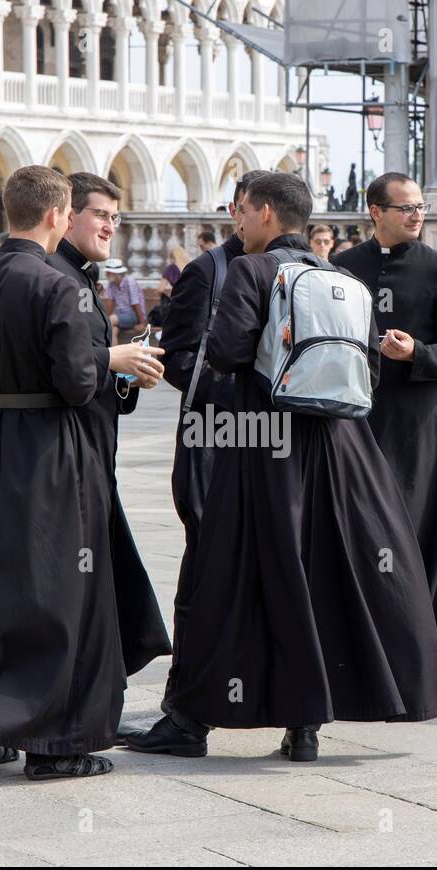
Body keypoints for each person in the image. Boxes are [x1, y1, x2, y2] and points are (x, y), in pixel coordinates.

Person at [126, 172, 437, 763]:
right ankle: (304, 727)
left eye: (243, 211)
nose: (237, 222)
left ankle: (190, 721)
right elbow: (369, 372)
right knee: (324, 578)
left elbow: (223, 352)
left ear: (267, 214)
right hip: (344, 452)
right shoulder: (343, 278)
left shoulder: (251, 271)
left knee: (225, 577)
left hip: (265, 449)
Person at [0, 165, 129, 781]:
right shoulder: (57, 286)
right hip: (49, 448)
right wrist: (110, 360)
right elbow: (76, 383)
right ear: (55, 216)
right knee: (61, 590)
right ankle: (55, 743)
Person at [332, 173, 437, 647]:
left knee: (415, 517)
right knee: (354, 517)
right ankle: (357, 623)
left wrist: (417, 351)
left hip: (418, 419)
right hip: (356, 414)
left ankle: (416, 625)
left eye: (421, 207)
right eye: (406, 208)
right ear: (376, 212)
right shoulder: (341, 267)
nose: (416, 215)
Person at [46, 172, 172, 724]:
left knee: (113, 579)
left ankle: (99, 695)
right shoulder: (53, 277)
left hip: (96, 454)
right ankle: (81, 705)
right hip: (66, 456)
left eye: (117, 218)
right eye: (101, 214)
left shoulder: (83, 278)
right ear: (66, 213)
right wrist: (111, 362)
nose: (110, 226)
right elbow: (60, 372)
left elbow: (88, 368)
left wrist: (126, 374)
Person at [155, 168, 266, 716]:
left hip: (280, 449)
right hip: (215, 439)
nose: (238, 218)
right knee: (205, 565)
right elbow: (178, 358)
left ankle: (295, 717)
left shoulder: (312, 271)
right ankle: (187, 704)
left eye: (245, 207)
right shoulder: (208, 270)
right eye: (235, 207)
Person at [103, 258, 146, 344]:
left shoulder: (129, 281)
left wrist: (142, 323)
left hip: (133, 316)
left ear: (115, 273)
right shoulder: (111, 284)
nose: (106, 274)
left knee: (111, 319)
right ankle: (114, 355)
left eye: (108, 272)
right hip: (120, 317)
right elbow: (109, 303)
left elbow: (135, 303)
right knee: (113, 330)